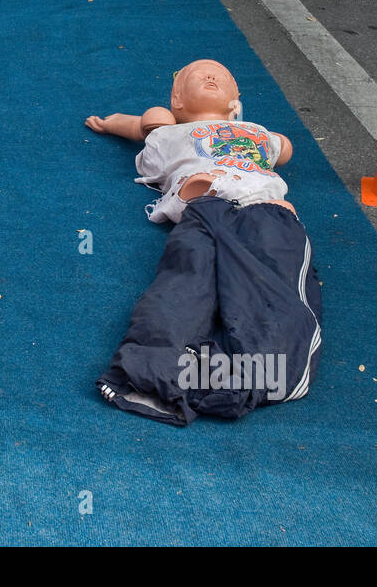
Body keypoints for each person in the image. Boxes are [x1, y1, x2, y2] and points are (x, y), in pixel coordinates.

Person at [84, 60, 323, 426]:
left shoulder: (254, 131)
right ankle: (151, 375)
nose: (211, 76)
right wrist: (127, 121)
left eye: (223, 76)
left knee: (271, 289)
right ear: (177, 99)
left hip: (265, 210)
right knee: (183, 285)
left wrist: (254, 130)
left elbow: (285, 149)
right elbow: (141, 126)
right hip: (203, 208)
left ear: (236, 99)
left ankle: (254, 374)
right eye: (198, 76)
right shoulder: (168, 134)